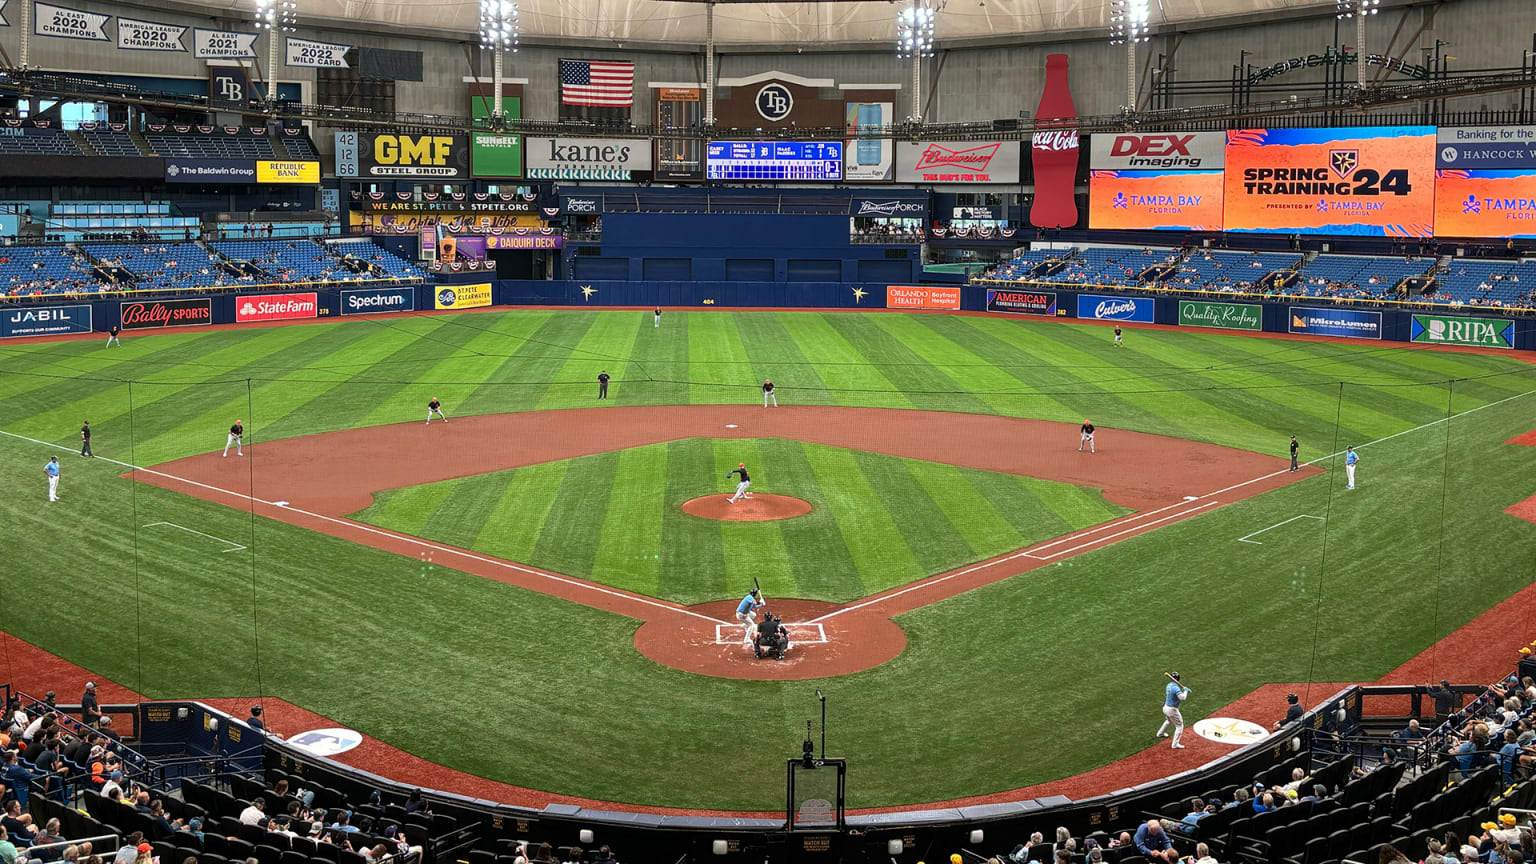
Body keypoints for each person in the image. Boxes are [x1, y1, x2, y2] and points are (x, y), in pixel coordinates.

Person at [1157, 672, 1189, 749]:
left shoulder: (1169, 685)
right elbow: (1182, 698)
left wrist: (1183, 690)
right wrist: (1186, 691)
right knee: (1179, 726)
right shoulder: (1175, 688)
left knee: (1169, 721)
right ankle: (1175, 744)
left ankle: (1160, 733)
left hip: (1165, 707)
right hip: (1172, 710)